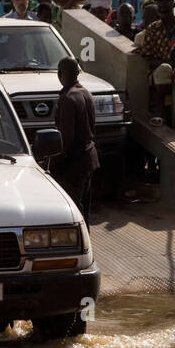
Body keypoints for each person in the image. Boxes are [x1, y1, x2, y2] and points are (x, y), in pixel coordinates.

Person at [52, 57, 99, 225]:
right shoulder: (86, 93)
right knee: (84, 209)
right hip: (89, 158)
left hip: (74, 163)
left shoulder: (67, 98)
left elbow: (66, 138)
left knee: (73, 212)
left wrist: (53, 163)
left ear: (60, 73)